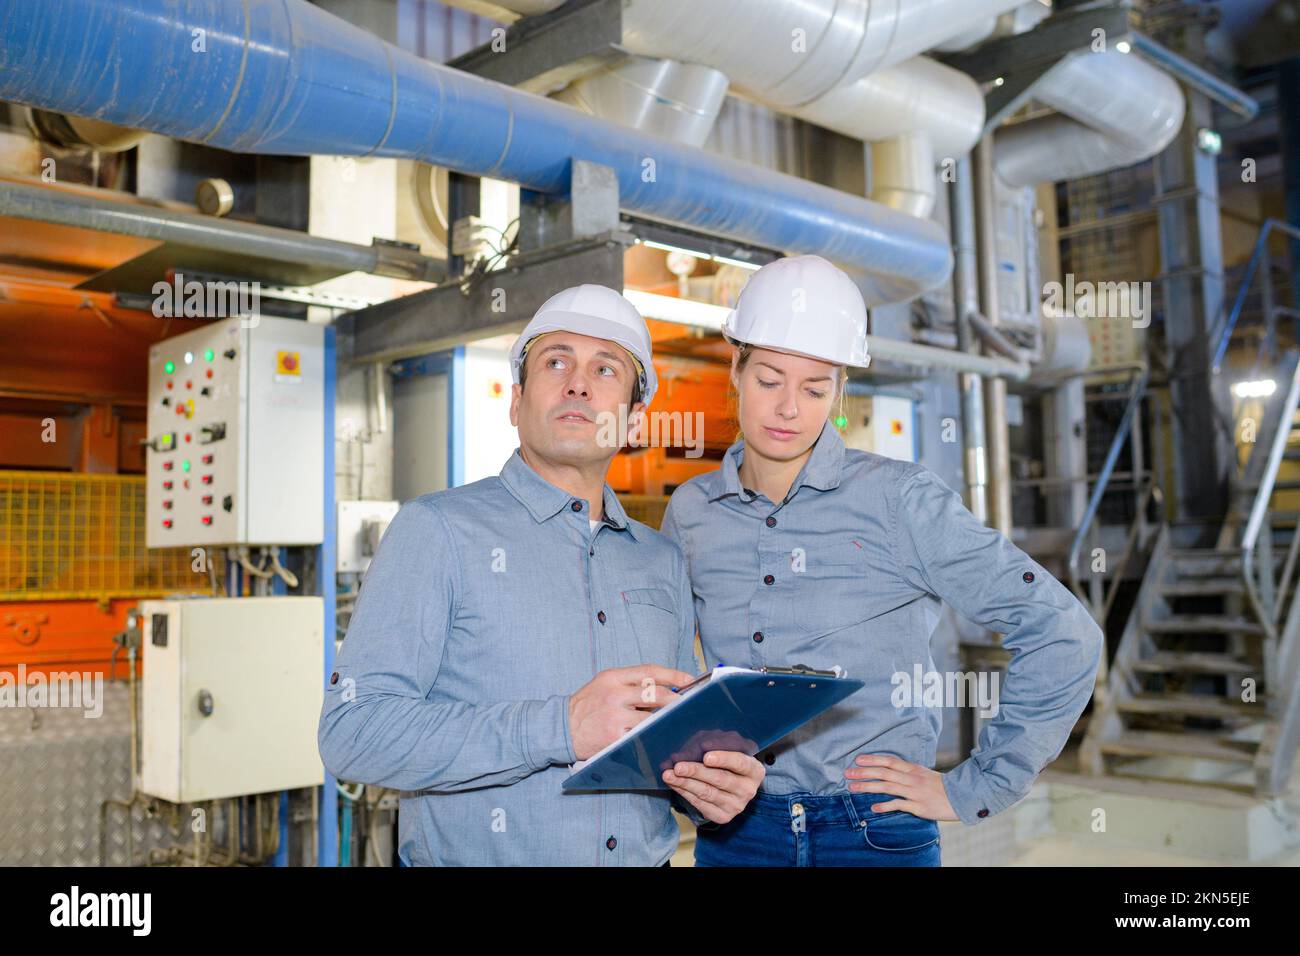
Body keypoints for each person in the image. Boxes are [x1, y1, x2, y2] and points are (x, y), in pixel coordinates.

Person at [659, 255, 1104, 867]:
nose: (789, 408)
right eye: (769, 380)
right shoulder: (692, 511)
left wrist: (976, 786)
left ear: (840, 387)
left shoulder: (899, 500)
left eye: (815, 388)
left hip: (872, 832)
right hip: (737, 836)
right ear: (735, 367)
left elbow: (1063, 631)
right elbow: (674, 672)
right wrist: (692, 784)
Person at [318, 284, 764, 866]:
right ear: (516, 402)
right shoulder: (438, 531)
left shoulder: (660, 560)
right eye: (556, 362)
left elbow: (669, 742)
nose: (578, 383)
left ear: (633, 421)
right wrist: (560, 727)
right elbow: (353, 733)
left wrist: (708, 787)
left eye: (605, 369)